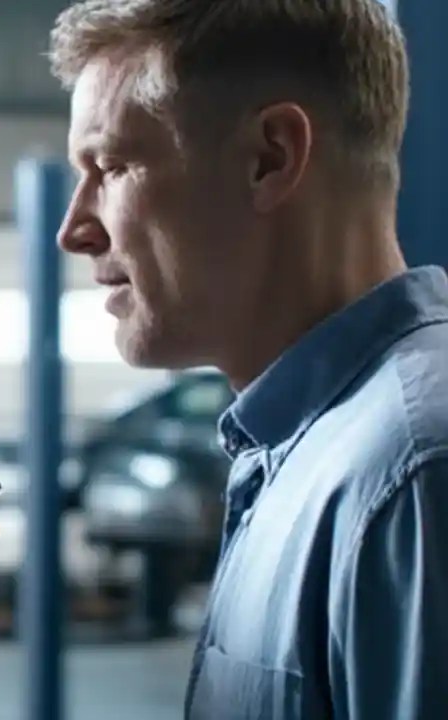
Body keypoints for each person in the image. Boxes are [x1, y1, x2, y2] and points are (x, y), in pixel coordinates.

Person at [50, 1, 448, 718]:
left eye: (109, 165)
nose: (73, 230)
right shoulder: (303, 454)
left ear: (270, 158)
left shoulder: (413, 477)